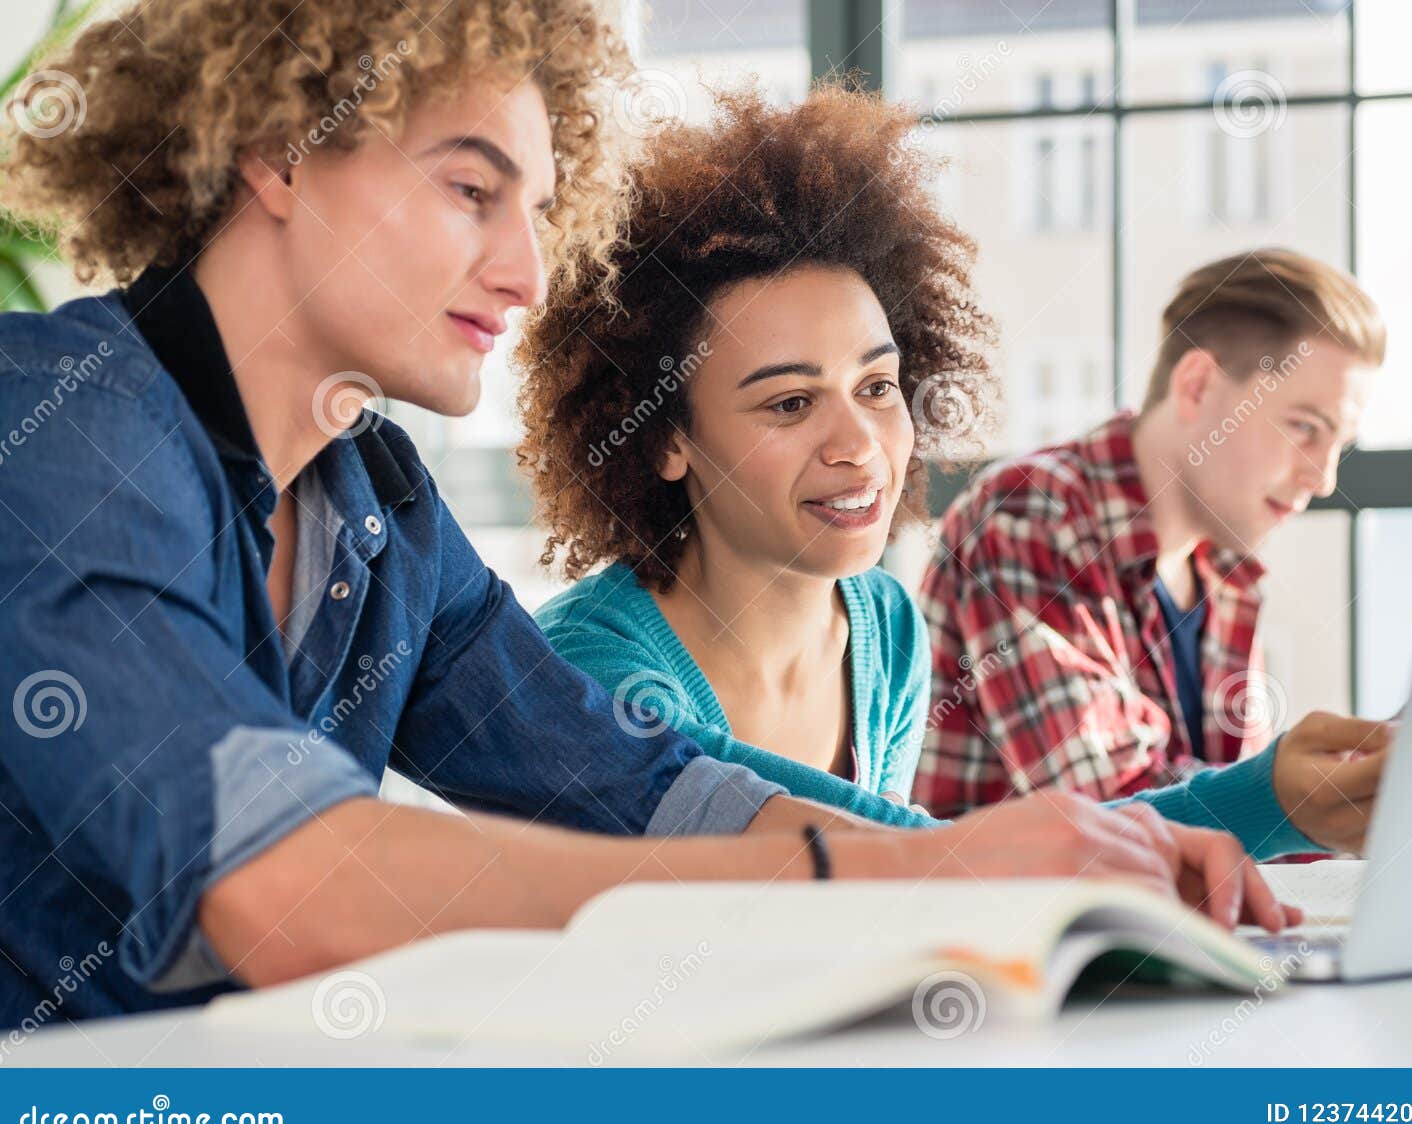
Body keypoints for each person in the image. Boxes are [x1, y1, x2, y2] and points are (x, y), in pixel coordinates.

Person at [0, 0, 1295, 1028]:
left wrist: (1066, 886)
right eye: (470, 190)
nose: (526, 269)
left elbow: (648, 788)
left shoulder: (379, 500)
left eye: (542, 210)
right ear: (279, 153)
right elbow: (292, 885)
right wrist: (914, 875)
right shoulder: (56, 430)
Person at [520, 90, 1387, 869]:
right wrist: (1265, 801)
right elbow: (888, 858)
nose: (859, 444)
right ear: (667, 436)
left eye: (877, 387)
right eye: (789, 404)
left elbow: (887, 892)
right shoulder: (590, 668)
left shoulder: (883, 624)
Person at [915, 248, 1390, 854]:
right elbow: (1108, 812)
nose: (1323, 478)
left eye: (1339, 444)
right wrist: (1294, 800)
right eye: (1303, 427)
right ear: (1197, 387)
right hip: (1017, 937)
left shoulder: (1223, 566)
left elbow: (1233, 825)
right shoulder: (1029, 514)